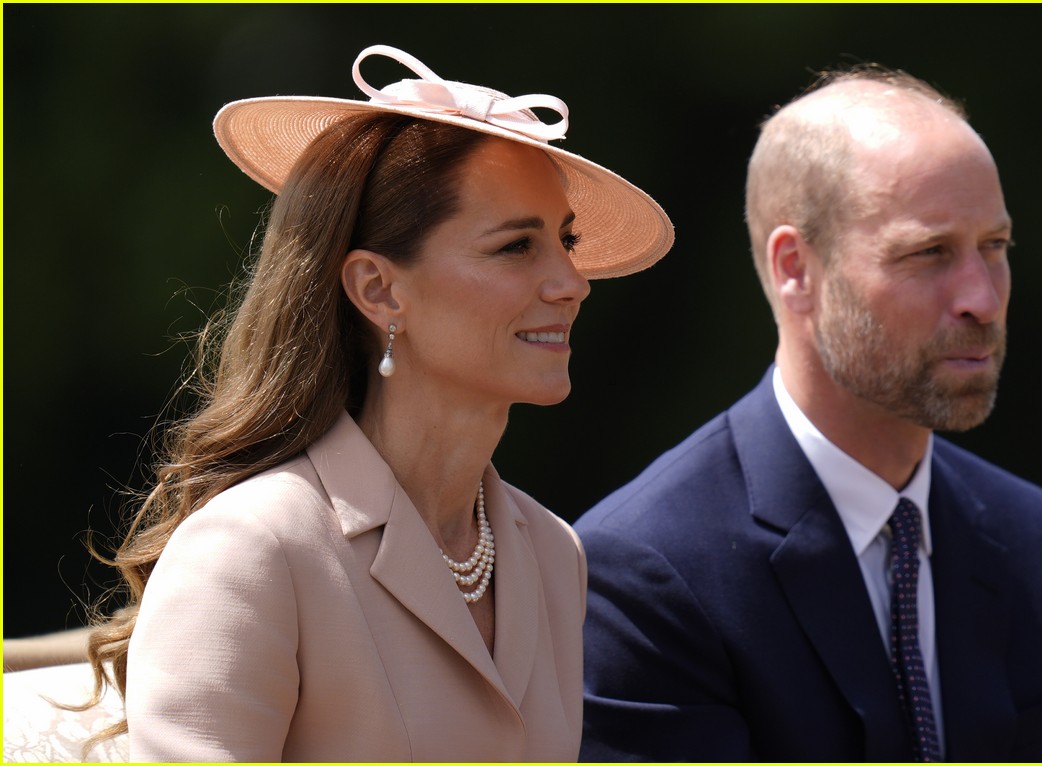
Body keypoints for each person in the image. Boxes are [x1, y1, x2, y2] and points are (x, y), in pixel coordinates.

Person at [80, 44, 673, 761]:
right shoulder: (252, 552)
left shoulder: (553, 554)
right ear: (378, 290)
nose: (571, 282)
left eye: (566, 242)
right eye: (517, 247)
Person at [576, 64, 1042, 762]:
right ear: (796, 268)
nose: (982, 296)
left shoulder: (1039, 541)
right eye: (929, 253)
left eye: (995, 247)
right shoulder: (647, 570)